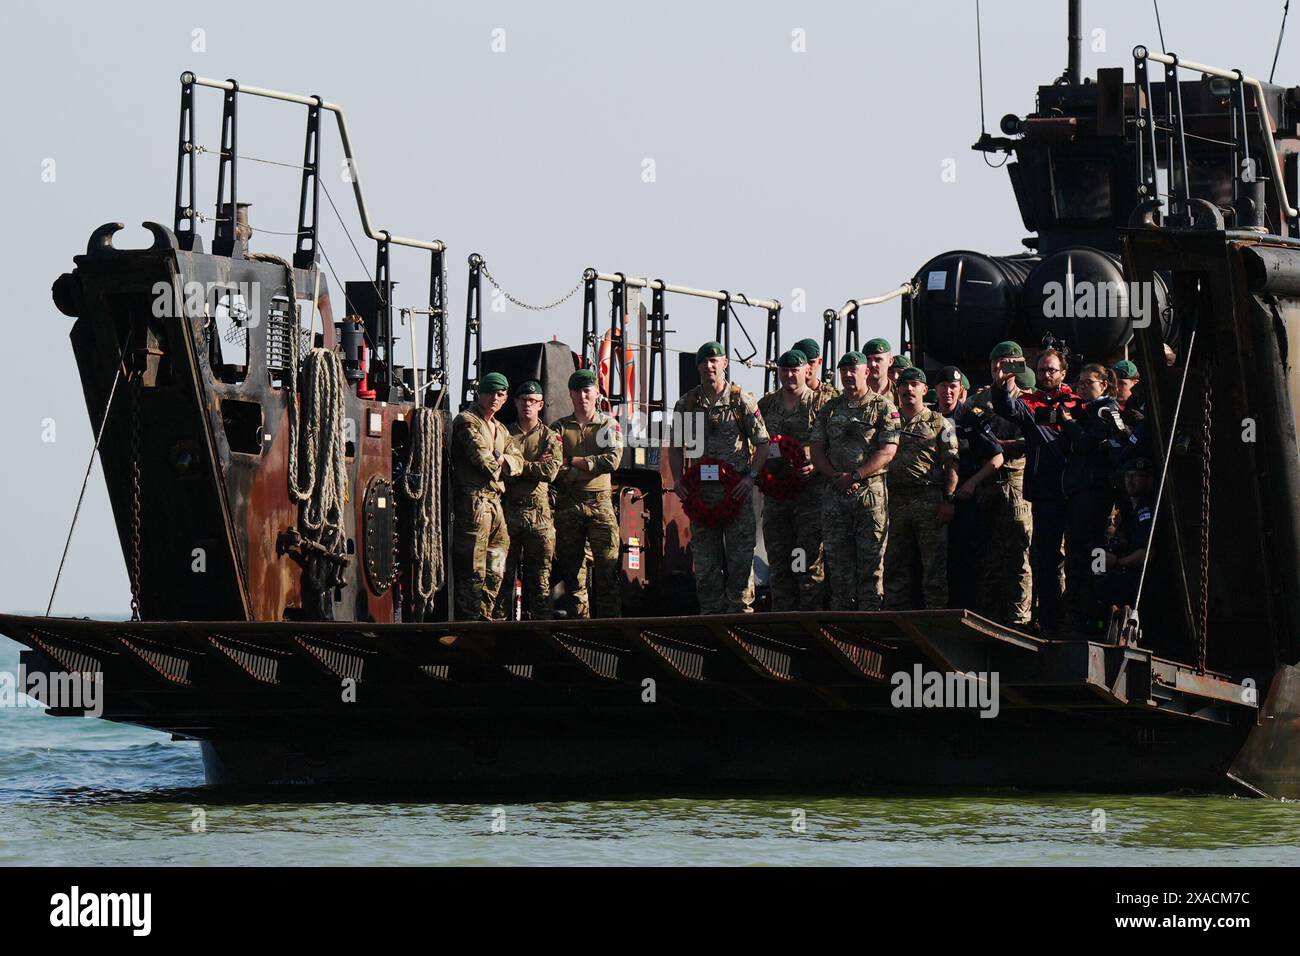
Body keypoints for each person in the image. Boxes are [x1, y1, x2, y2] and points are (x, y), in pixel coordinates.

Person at [669, 342, 771, 613]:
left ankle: (739, 618)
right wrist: (677, 480)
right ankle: (711, 619)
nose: (709, 366)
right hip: (702, 497)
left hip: (736, 493)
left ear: (725, 363)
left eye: (715, 361)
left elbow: (763, 444)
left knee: (740, 560)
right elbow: (675, 446)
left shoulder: (741, 401)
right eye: (704, 362)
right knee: (705, 564)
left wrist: (750, 477)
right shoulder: (687, 403)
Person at [992, 346, 1075, 637]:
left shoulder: (1077, 403)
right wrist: (1001, 385)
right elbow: (1007, 408)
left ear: (1063, 373)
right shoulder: (1030, 403)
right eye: (1042, 370)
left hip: (1077, 494)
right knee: (1046, 559)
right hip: (1045, 493)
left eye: (1052, 370)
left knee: (1077, 558)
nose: (1047, 374)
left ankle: (1075, 618)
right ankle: (1049, 621)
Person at [811, 351, 900, 610]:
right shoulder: (830, 409)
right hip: (835, 493)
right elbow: (816, 449)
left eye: (854, 370)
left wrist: (856, 475)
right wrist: (834, 476)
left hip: (869, 495)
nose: (849, 375)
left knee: (870, 563)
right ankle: (842, 622)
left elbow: (888, 450)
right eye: (844, 371)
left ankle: (870, 621)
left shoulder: (883, 407)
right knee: (838, 564)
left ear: (866, 372)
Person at [967, 343, 1033, 627]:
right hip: (986, 485)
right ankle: (990, 617)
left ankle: (1020, 617)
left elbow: (1030, 441)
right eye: (995, 364)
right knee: (989, 554)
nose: (999, 368)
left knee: (1020, 554)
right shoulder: (979, 399)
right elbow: (966, 433)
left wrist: (997, 446)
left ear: (1019, 365)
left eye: (1006, 363)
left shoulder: (1029, 400)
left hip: (1016, 484)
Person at [884, 367, 959, 609]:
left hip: (929, 501)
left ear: (925, 390)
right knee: (895, 565)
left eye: (914, 384)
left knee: (933, 566)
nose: (908, 389)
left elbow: (952, 463)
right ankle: (896, 618)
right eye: (904, 385)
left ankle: (935, 619)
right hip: (894, 501)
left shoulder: (940, 423)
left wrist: (948, 500)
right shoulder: (888, 420)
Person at [451, 372, 523, 620]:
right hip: (474, 501)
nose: (495, 397)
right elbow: (483, 460)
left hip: (494, 502)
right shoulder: (467, 421)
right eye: (490, 392)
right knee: (473, 566)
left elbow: (519, 463)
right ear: (479, 393)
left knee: (496, 564)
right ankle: (468, 620)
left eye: (500, 394)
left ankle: (485, 614)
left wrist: (503, 459)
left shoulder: (501, 429)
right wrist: (504, 461)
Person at [553, 368, 625, 618]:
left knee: (608, 568)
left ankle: (610, 627)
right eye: (578, 391)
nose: (583, 396)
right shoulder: (560, 428)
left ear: (596, 393)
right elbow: (553, 466)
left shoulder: (608, 425)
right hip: (568, 505)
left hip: (600, 504)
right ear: (571, 395)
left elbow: (612, 460)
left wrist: (573, 461)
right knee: (573, 573)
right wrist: (585, 467)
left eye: (587, 391)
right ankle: (579, 624)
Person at [757, 349, 825, 610]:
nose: (789, 375)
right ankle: (782, 619)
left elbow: (833, 445)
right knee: (779, 560)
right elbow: (756, 442)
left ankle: (810, 620)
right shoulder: (766, 405)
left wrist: (815, 463)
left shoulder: (821, 405)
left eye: (794, 370)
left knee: (808, 561)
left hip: (809, 497)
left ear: (806, 371)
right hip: (776, 497)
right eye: (784, 370)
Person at [1060, 363, 1125, 635]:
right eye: (1080, 383)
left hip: (1096, 497)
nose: (1083, 387)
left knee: (1093, 557)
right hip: (1080, 495)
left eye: (1089, 383)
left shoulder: (1105, 410)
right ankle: (1078, 616)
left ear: (1104, 385)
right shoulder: (1089, 410)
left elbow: (1088, 444)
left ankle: (1094, 618)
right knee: (1077, 557)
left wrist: (1069, 423)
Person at [934, 365, 1003, 612]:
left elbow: (997, 457)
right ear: (936, 390)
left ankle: (968, 611)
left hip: (966, 499)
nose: (948, 392)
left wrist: (972, 483)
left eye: (953, 387)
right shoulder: (929, 418)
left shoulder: (971, 416)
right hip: (934, 500)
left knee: (966, 558)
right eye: (943, 387)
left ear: (960, 390)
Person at [498, 380, 563, 620]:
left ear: (541, 405)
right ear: (515, 402)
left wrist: (516, 465)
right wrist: (533, 465)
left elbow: (550, 472)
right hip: (508, 514)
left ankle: (541, 631)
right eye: (523, 400)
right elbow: (500, 470)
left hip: (539, 517)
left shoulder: (550, 437)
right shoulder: (504, 433)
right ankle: (502, 631)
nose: (528, 405)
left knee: (540, 581)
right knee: (503, 577)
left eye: (533, 401)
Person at [1094, 456, 1155, 612]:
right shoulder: (1129, 508)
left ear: (1148, 480)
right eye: (1128, 475)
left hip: (1140, 575)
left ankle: (1105, 614)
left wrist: (1117, 562)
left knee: (1105, 583)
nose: (1131, 480)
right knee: (1097, 555)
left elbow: (1145, 554)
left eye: (1137, 476)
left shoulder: (1145, 511)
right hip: (1126, 564)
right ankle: (1095, 616)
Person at [794, 337, 840, 410]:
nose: (807, 367)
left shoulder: (834, 397)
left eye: (811, 362)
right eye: (801, 363)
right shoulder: (778, 399)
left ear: (820, 362)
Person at [862, 338, 898, 406]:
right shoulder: (853, 393)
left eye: (878, 359)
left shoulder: (901, 394)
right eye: (868, 359)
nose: (872, 364)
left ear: (890, 361)